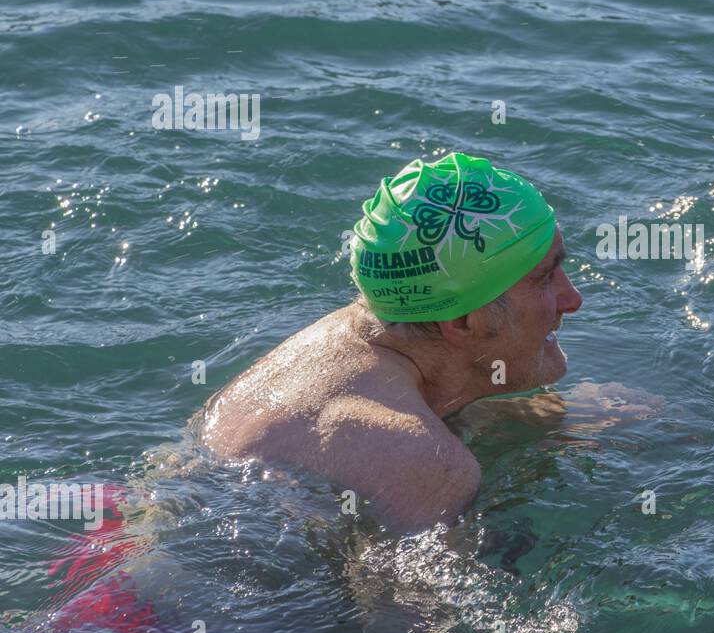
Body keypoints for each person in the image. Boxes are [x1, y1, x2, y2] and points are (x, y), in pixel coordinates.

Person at [199, 152, 583, 532]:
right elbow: (420, 594)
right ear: (464, 321)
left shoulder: (331, 345)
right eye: (545, 279)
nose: (573, 299)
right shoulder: (424, 459)